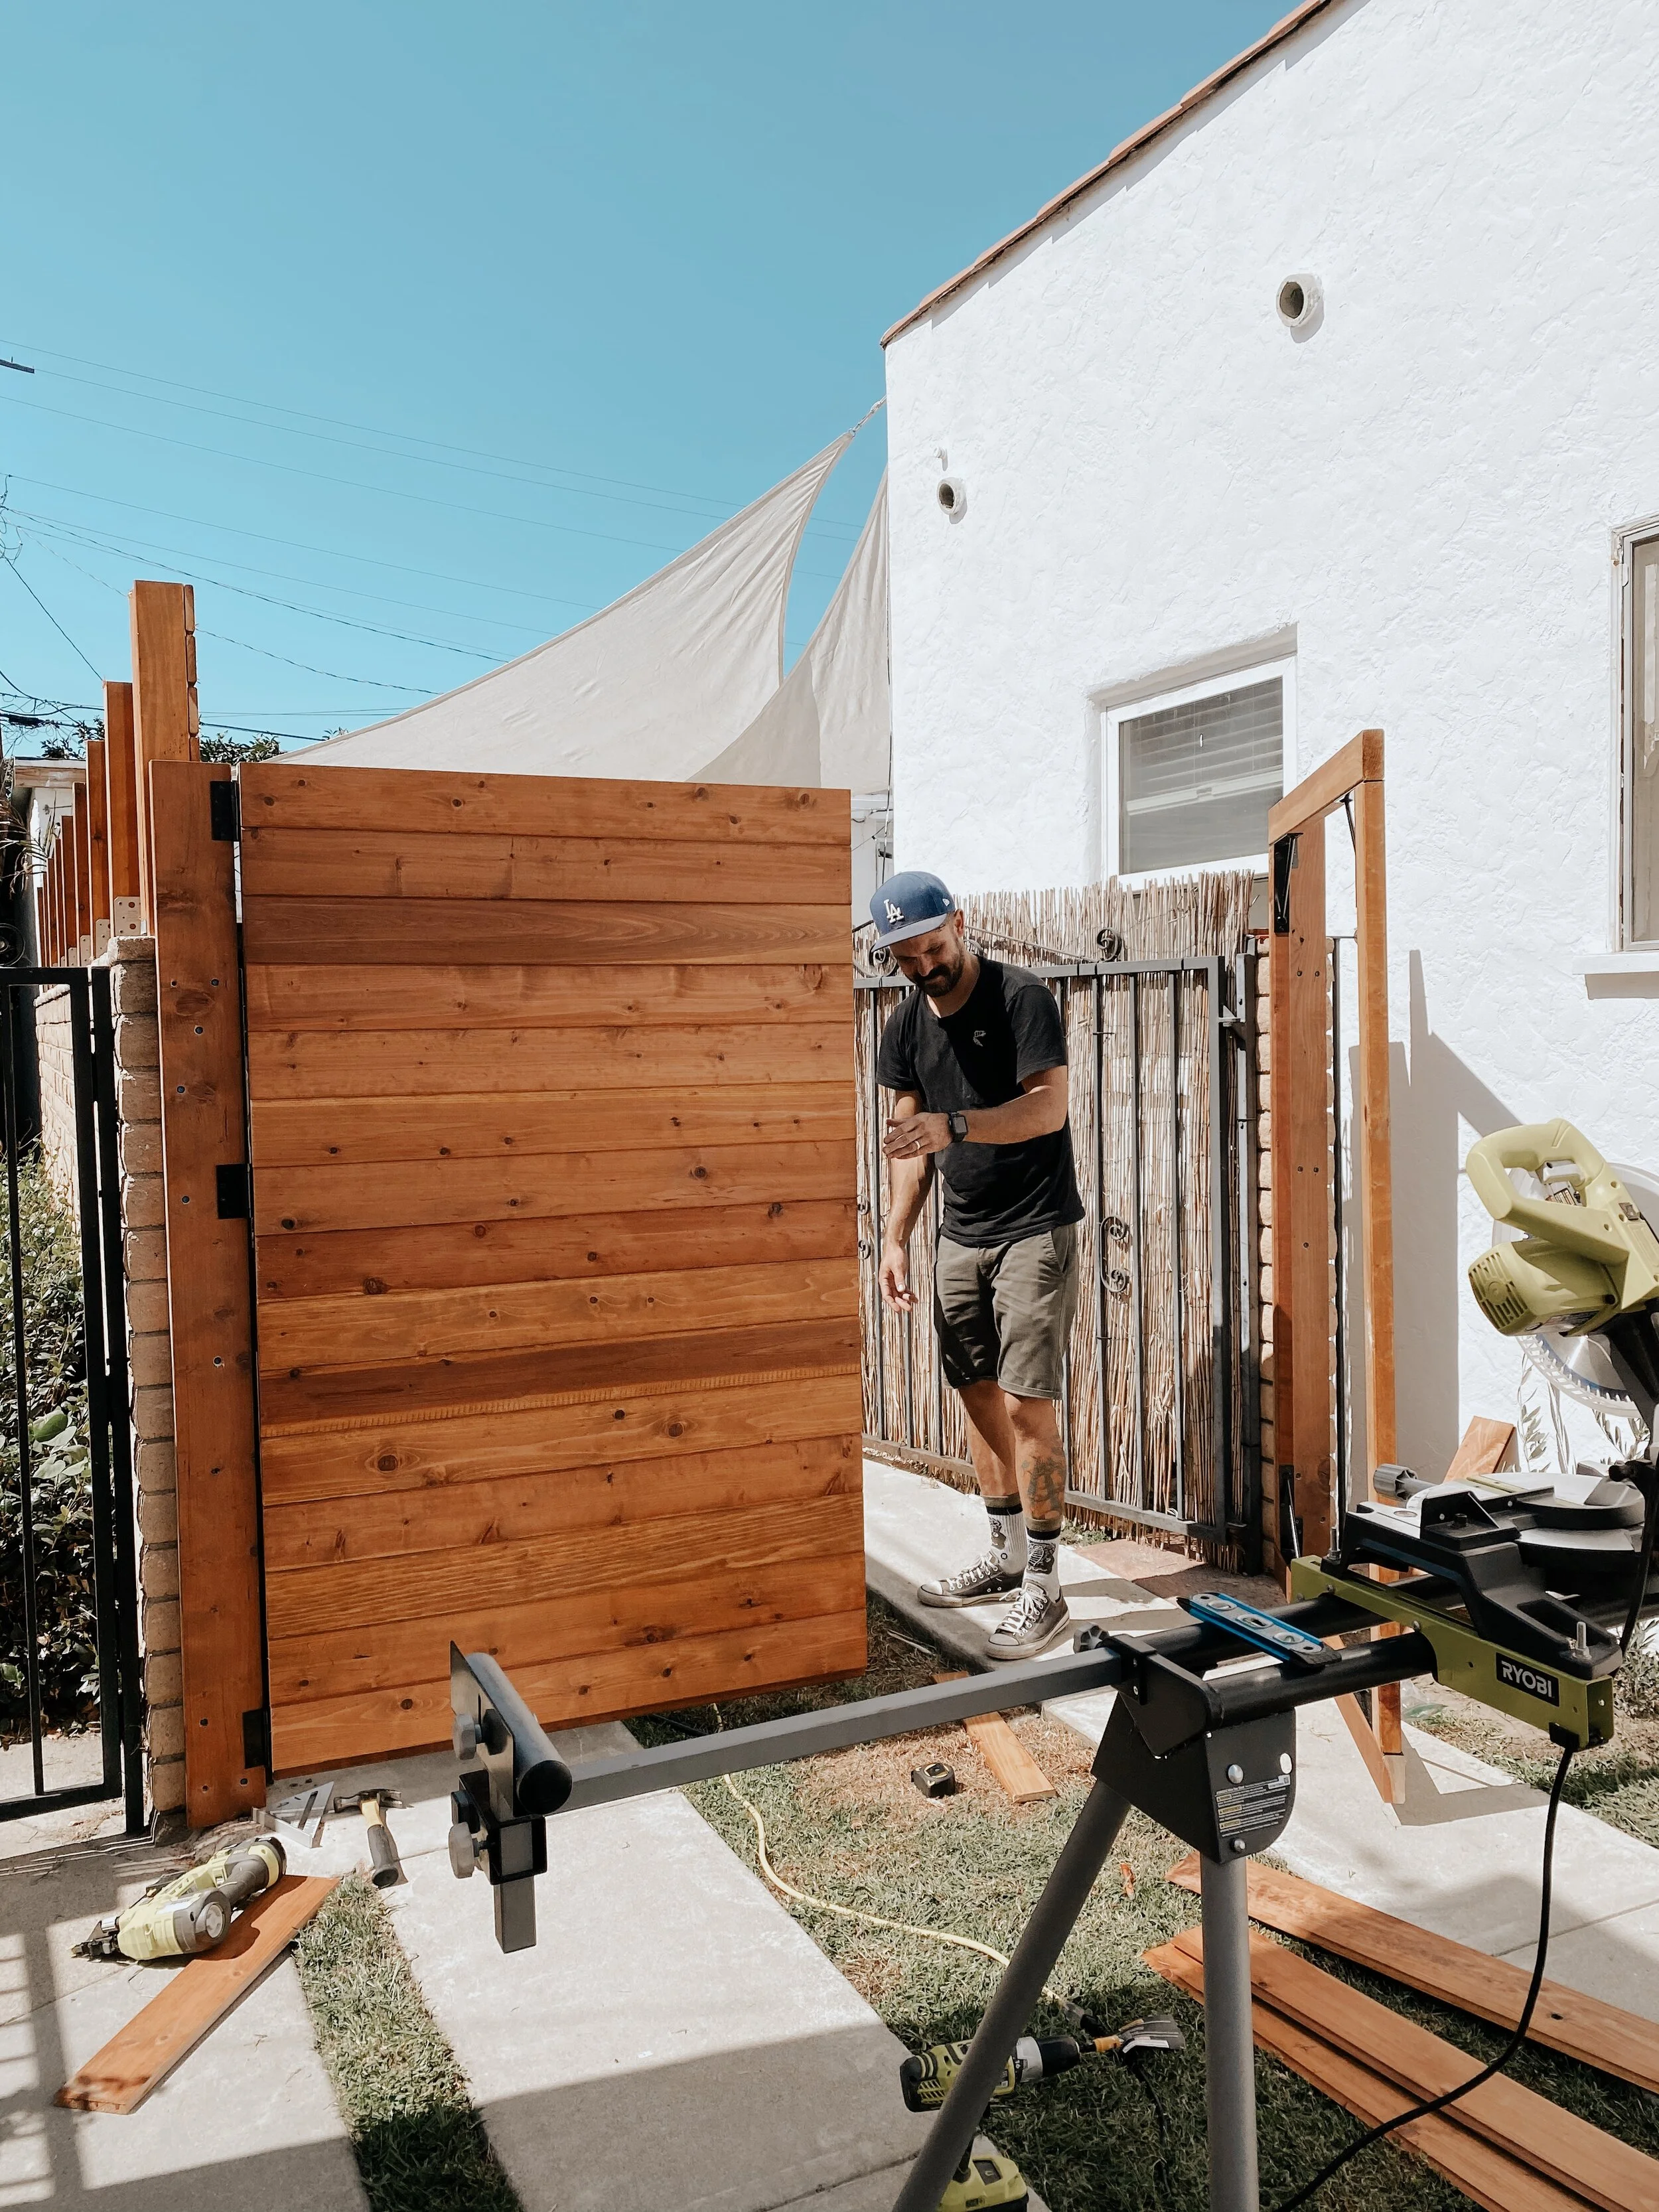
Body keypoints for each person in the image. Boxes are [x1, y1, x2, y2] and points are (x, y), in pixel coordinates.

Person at [871, 870, 1084, 1660]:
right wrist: (897, 1236)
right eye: (904, 957)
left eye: (932, 945)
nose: (924, 965)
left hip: (1033, 1226)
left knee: (1029, 1404)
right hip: (956, 1236)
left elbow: (1049, 1107)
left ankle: (1045, 1584)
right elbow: (907, 1147)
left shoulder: (1019, 998)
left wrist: (954, 1123)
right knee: (976, 1393)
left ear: (957, 924)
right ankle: (1002, 1555)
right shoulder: (902, 1029)